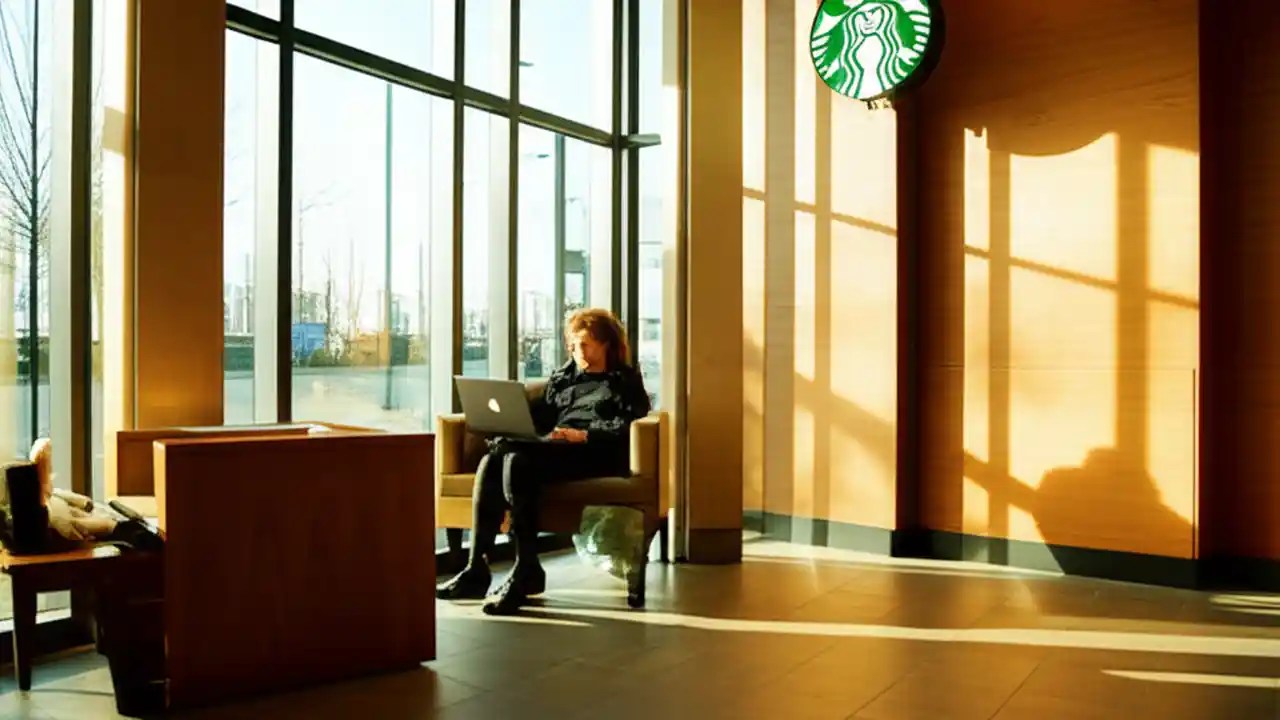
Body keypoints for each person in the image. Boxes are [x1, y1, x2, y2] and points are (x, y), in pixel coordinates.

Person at [437, 308, 651, 615]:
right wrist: (516, 427)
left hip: (595, 452)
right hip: (557, 450)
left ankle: (526, 569)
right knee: (495, 460)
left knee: (516, 461)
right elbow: (540, 421)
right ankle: (476, 569)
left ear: (606, 344)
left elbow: (628, 425)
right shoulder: (563, 380)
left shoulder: (624, 382)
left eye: (585, 344)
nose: (576, 351)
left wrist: (585, 436)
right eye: (573, 345)